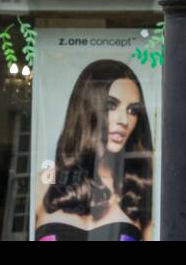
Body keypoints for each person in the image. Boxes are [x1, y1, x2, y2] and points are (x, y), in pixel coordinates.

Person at [35, 59, 154, 241]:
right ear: (87, 109)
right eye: (111, 105)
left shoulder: (137, 191)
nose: (124, 120)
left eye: (133, 110)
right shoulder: (43, 185)